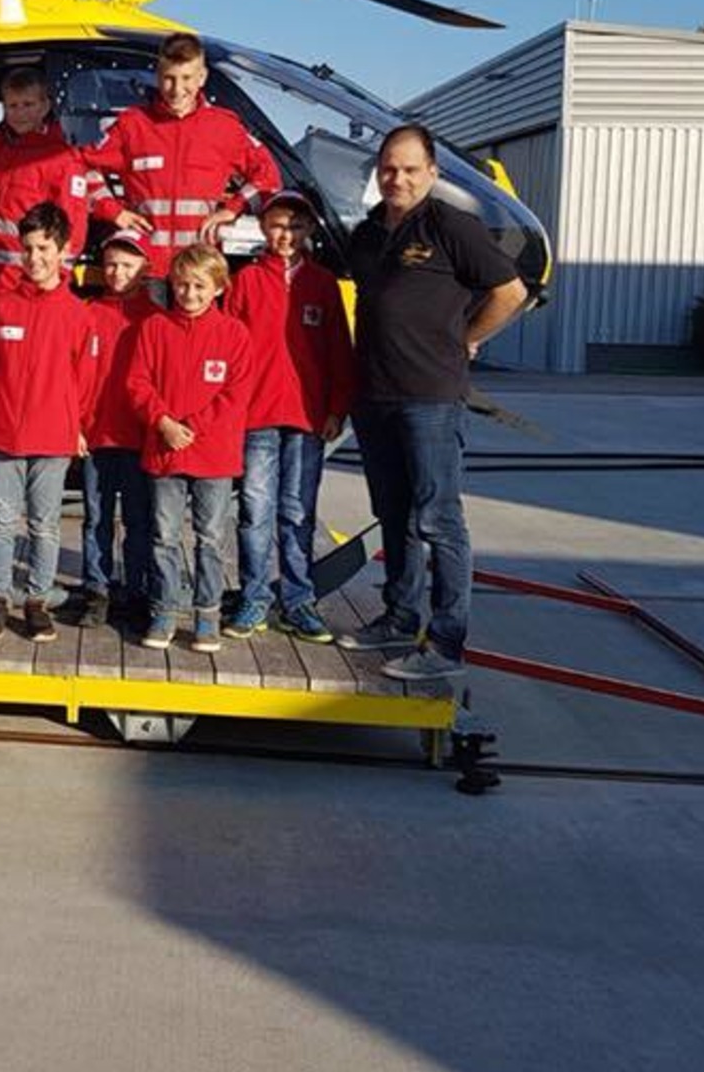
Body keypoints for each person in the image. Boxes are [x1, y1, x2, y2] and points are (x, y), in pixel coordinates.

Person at [338, 125, 528, 682]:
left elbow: (510, 291)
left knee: (439, 520)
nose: (397, 178)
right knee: (392, 514)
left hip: (430, 398)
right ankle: (399, 616)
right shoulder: (369, 233)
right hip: (374, 394)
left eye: (410, 170)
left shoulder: (452, 226)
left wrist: (469, 337)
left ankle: (445, 643)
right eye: (389, 169)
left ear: (433, 174)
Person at [224, 191, 356, 642]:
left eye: (296, 227)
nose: (286, 235)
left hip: (308, 416)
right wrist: (231, 409)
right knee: (255, 508)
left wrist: (337, 408)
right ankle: (254, 597)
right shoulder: (244, 282)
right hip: (257, 415)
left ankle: (299, 601)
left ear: (310, 230)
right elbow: (230, 352)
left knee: (298, 511)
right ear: (263, 227)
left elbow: (340, 352)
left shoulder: (322, 285)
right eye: (278, 225)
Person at [0, 203, 97, 643]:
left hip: (53, 436)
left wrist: (80, 426)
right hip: (5, 433)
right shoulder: (2, 308)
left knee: (44, 525)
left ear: (63, 249)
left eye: (44, 248)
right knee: (2, 522)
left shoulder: (78, 314)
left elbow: (87, 378)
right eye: (27, 248)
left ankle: (37, 601)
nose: (35, 257)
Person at [126, 242, 252, 652]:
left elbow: (235, 394)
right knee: (163, 536)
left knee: (210, 538)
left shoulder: (234, 334)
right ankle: (163, 610)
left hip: (214, 456)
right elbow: (137, 382)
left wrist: (191, 427)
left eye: (199, 286)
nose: (190, 294)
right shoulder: (154, 329)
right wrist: (163, 422)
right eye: (181, 285)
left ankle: (207, 614)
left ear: (218, 288)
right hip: (165, 452)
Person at [80, 32, 280, 275]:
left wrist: (232, 209)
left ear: (202, 77)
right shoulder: (133, 124)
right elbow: (80, 167)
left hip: (197, 271)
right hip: (144, 268)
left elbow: (267, 177)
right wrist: (113, 211)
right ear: (157, 76)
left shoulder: (224, 127)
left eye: (187, 78)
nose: (177, 89)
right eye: (169, 78)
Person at [0, 65, 106, 306]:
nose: (20, 113)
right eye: (12, 106)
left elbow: (71, 230)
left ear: (45, 106)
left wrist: (54, 286)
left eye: (28, 105)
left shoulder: (60, 159)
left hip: (24, 289)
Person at [80, 231, 159, 630]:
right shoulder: (89, 312)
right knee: (96, 516)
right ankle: (96, 588)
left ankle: (135, 590)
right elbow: (75, 375)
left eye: (127, 265)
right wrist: (77, 423)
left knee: (137, 519)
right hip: (96, 434)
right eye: (111, 263)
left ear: (144, 270)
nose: (117, 272)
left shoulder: (154, 319)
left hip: (137, 436)